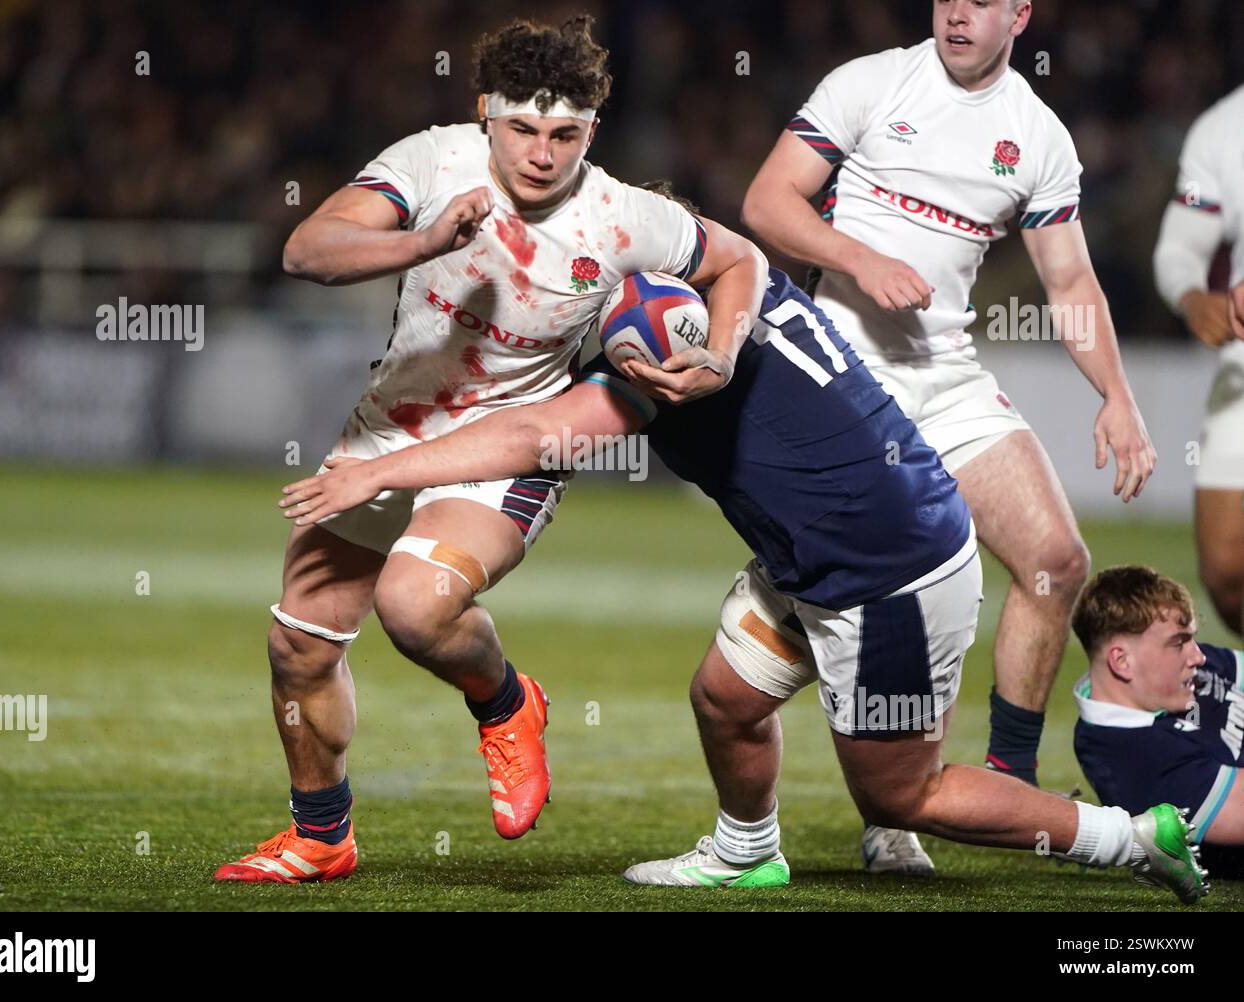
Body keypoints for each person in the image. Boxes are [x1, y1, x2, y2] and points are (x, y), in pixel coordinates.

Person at [278, 267, 1207, 904]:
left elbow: (531, 439)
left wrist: (380, 471)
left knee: (901, 796)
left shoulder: (648, 361)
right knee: (724, 699)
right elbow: (740, 246)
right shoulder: (727, 281)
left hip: (885, 576)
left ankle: (1130, 839)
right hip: (826, 552)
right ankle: (747, 852)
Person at [213, 16, 767, 883]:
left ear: (592, 131)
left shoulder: (624, 218)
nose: (542, 154)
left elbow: (741, 261)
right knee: (301, 647)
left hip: (510, 446)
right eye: (522, 129)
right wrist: (424, 241)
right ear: (486, 114)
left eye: (565, 135)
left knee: (414, 605)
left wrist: (723, 357)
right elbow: (307, 250)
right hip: (387, 429)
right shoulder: (432, 164)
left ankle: (507, 705)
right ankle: (322, 837)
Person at [739, 0, 1157, 872]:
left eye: (980, 1)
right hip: (846, 380)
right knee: (880, 599)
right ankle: (885, 811)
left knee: (1056, 561)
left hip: (947, 378)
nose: (958, 13)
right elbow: (767, 202)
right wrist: (859, 259)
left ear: (1020, 16)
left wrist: (1116, 395)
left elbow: (1072, 279)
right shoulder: (872, 83)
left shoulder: (1036, 137)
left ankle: (1007, 781)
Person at [1072, 566, 1243, 879]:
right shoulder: (1134, 759)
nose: (1198, 656)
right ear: (1122, 661)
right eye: (1179, 643)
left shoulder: (1169, 681)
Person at [1153, 84, 1244, 639]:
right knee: (1227, 568)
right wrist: (1193, 297)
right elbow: (1178, 249)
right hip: (1242, 371)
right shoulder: (1223, 126)